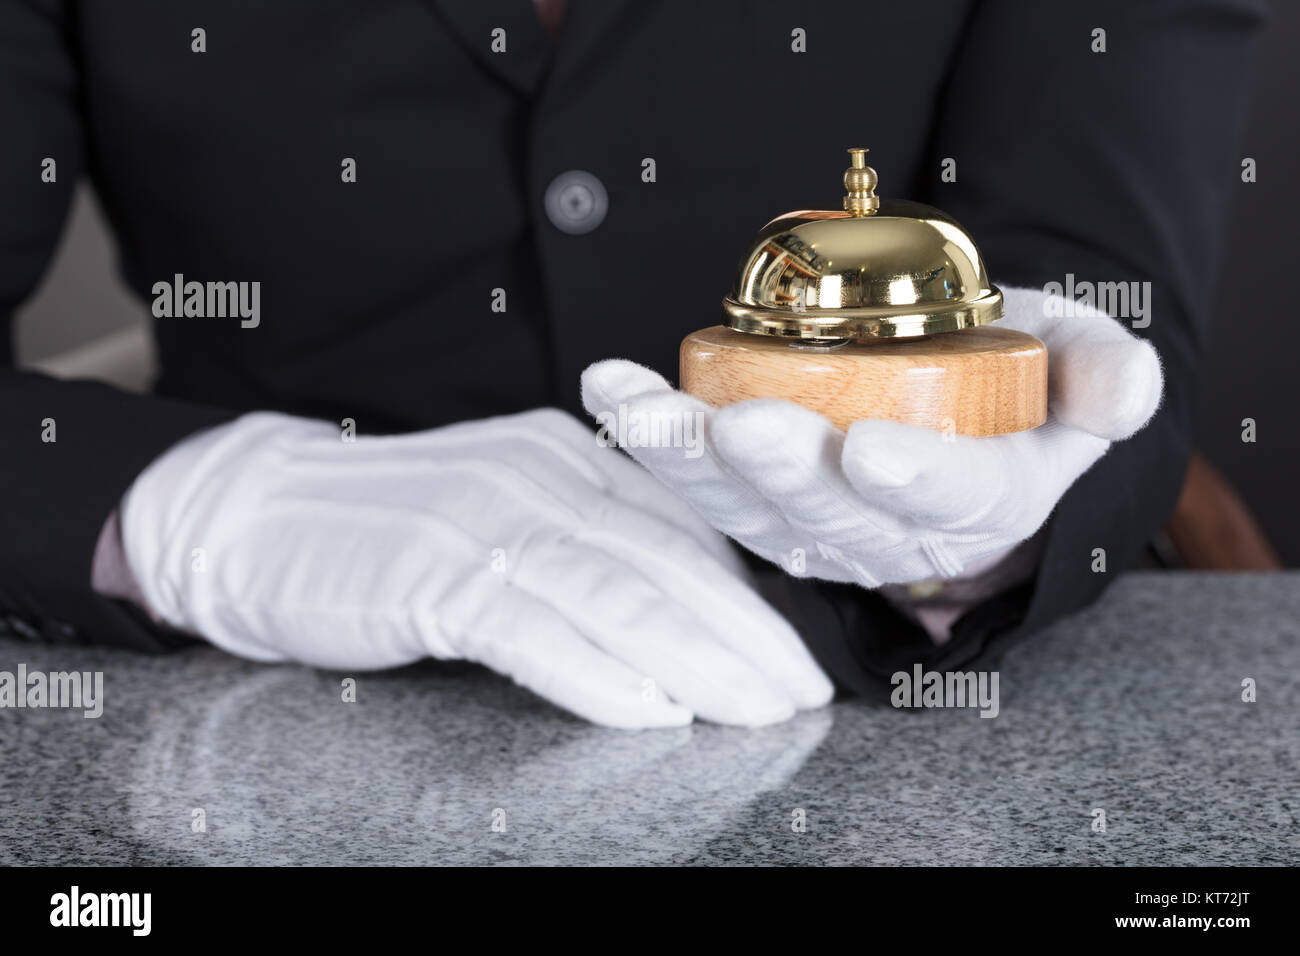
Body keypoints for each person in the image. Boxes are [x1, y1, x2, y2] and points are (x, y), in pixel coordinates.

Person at [0, 0, 1263, 727]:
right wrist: (193, 506)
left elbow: (1099, 293)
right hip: (273, 689)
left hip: (879, 699)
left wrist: (986, 526)